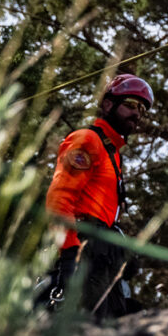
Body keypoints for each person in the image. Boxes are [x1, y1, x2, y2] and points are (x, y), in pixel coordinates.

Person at [37, 73, 154, 319]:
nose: (137, 113)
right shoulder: (87, 140)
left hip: (102, 259)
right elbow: (59, 200)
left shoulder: (113, 154)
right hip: (83, 252)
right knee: (82, 329)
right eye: (131, 104)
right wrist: (70, 254)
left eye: (142, 109)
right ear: (108, 104)